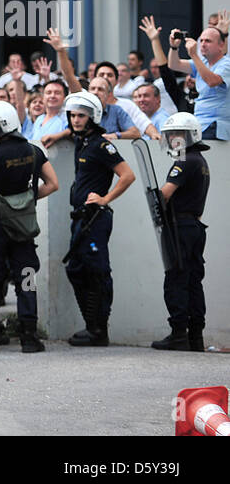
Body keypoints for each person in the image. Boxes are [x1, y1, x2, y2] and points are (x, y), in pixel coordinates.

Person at [0, 102, 58, 352]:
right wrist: (27, 199)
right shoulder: (34, 151)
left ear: (4, 125)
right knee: (27, 278)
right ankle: (29, 335)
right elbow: (53, 184)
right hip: (24, 225)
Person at [61, 92, 135, 347]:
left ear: (92, 117)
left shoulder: (102, 145)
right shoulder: (81, 142)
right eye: (72, 115)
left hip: (95, 218)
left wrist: (106, 198)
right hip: (81, 218)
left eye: (81, 115)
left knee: (98, 271)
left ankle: (99, 330)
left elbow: (127, 175)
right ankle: (91, 325)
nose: (75, 119)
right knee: (76, 269)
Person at [149, 113, 210, 352]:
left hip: (180, 228)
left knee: (176, 279)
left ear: (191, 136)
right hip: (193, 227)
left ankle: (178, 334)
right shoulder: (200, 160)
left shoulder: (185, 161)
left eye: (178, 135)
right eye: (171, 135)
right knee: (193, 280)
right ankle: (195, 336)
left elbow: (164, 193)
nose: (174, 139)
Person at [167, 26, 230, 140]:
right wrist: (174, 47)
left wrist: (194, 55)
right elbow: (174, 64)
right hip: (199, 124)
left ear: (221, 45)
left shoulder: (226, 63)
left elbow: (212, 81)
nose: (203, 44)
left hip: (216, 125)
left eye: (208, 41)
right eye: (201, 40)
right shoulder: (202, 62)